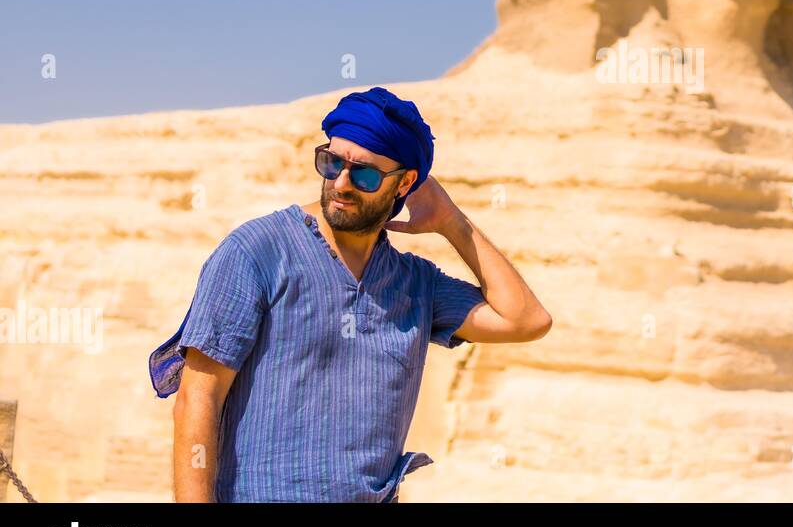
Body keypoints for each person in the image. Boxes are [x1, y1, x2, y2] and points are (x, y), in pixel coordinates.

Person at [147, 86, 551, 502]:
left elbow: (525, 320)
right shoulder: (257, 252)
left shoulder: (414, 283)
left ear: (405, 183)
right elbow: (198, 398)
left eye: (364, 173)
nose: (341, 183)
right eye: (331, 162)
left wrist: (450, 220)